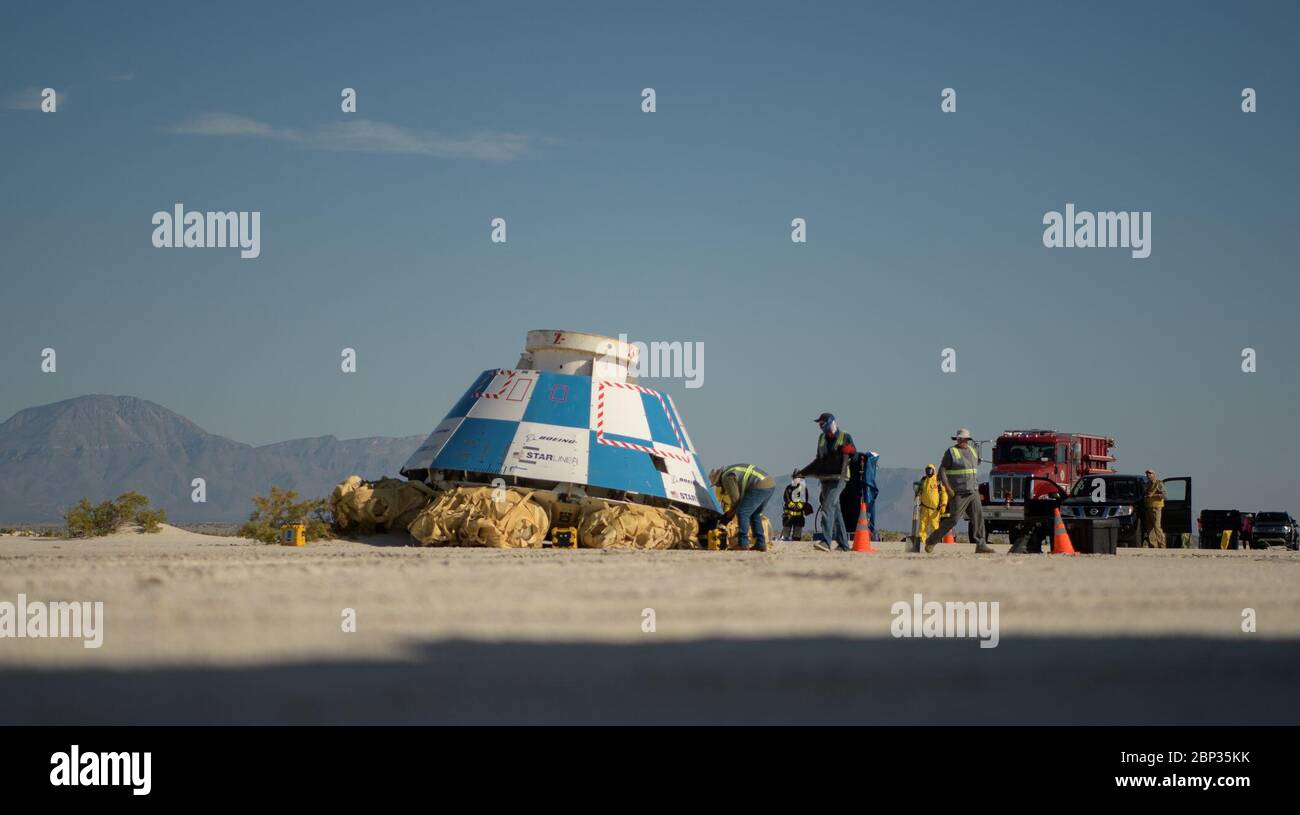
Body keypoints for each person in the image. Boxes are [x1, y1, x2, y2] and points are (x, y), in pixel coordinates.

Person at [921, 428, 994, 554]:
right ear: (957, 439)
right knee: (953, 519)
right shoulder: (951, 453)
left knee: (978, 517)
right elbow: (942, 471)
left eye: (965, 439)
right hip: (958, 493)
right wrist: (948, 488)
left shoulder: (973, 451)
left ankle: (981, 544)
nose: (962, 441)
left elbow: (974, 468)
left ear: (968, 440)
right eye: (960, 439)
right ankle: (931, 541)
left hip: (973, 491)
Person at [795, 412, 856, 552]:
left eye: (823, 423)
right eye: (819, 424)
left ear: (832, 422)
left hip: (839, 478)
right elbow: (818, 460)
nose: (821, 426)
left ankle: (826, 542)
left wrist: (851, 450)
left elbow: (855, 455)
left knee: (828, 507)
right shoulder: (821, 438)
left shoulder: (845, 436)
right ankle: (844, 545)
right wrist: (803, 473)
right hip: (825, 479)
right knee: (836, 509)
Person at [711, 464, 776, 552]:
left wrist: (727, 516)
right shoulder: (731, 470)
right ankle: (760, 544)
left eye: (717, 484)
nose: (719, 486)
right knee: (754, 513)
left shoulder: (726, 477)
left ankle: (743, 543)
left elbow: (736, 501)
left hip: (759, 485)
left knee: (742, 512)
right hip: (769, 484)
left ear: (718, 480)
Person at [915, 463, 947, 545]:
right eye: (927, 469)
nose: (929, 471)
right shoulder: (923, 480)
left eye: (930, 469)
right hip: (924, 507)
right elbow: (918, 491)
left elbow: (944, 493)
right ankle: (922, 541)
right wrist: (916, 499)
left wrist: (943, 504)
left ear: (933, 470)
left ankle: (935, 542)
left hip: (935, 509)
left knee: (934, 526)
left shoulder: (938, 480)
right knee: (922, 526)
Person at [781, 476, 812, 540]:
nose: (797, 479)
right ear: (793, 478)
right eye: (795, 477)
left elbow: (804, 499)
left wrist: (799, 506)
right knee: (785, 533)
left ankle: (795, 541)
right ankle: (784, 541)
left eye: (799, 478)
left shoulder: (803, 488)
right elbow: (786, 498)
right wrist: (792, 505)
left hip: (799, 516)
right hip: (788, 516)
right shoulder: (788, 488)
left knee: (797, 535)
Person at [1143, 469, 1166, 549]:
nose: (1148, 475)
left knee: (1157, 527)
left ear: (1153, 474)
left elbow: (1164, 495)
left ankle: (1162, 545)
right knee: (1150, 528)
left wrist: (1153, 495)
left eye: (1150, 473)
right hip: (1148, 507)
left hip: (1157, 508)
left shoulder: (1159, 484)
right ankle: (1153, 546)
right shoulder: (1147, 484)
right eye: (1147, 474)